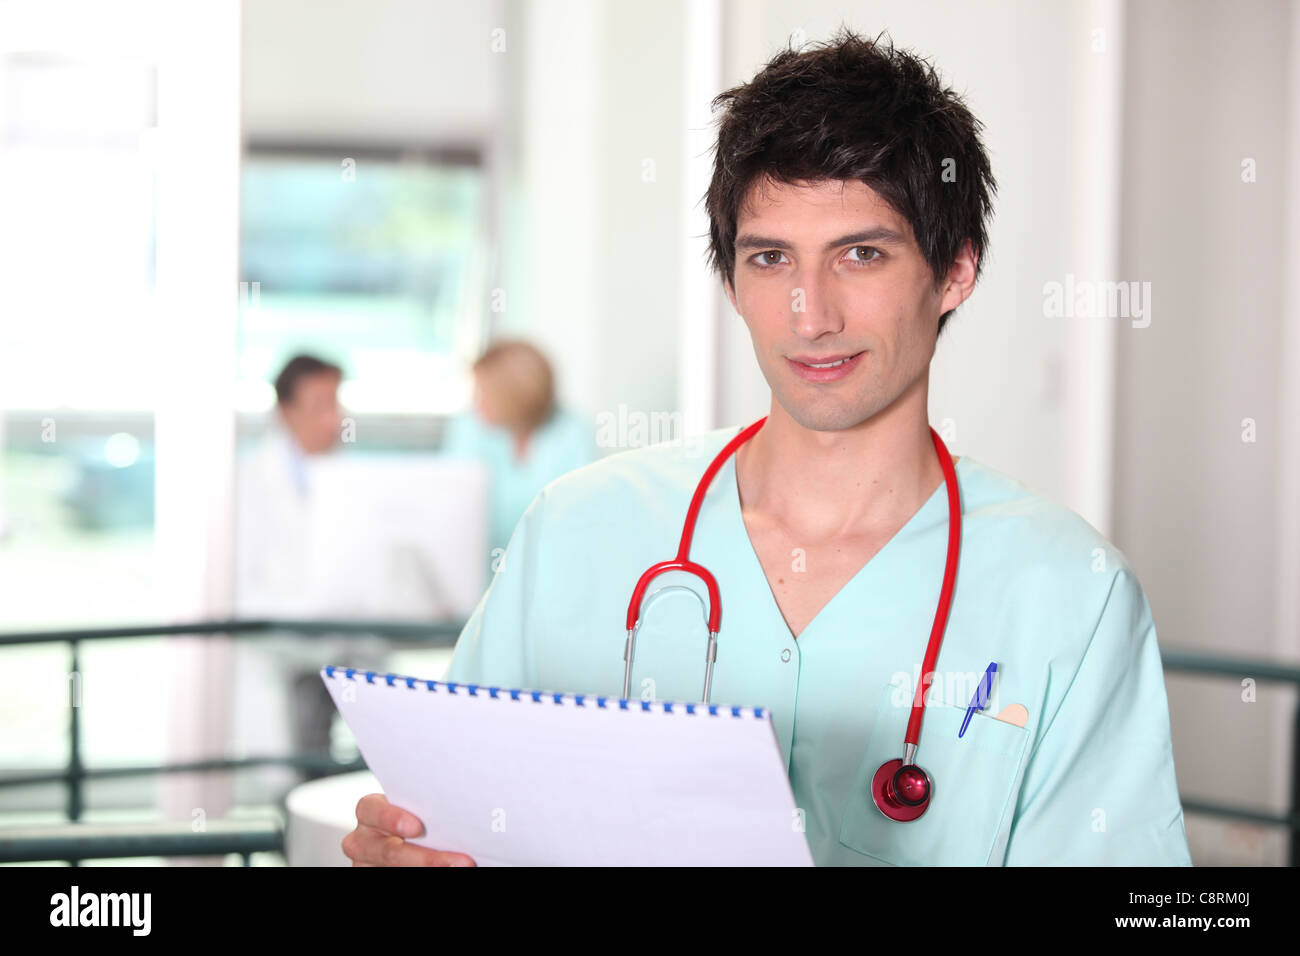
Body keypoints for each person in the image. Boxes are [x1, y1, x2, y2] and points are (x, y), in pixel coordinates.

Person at [341, 29, 1192, 866]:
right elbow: (453, 816)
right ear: (731, 281)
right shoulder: (575, 534)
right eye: (771, 257)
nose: (809, 314)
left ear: (955, 270)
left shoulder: (1070, 598)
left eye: (862, 254)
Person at [232, 353, 384, 790]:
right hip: (285, 654)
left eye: (338, 403)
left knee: (370, 781)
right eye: (321, 405)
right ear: (286, 412)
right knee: (298, 783)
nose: (335, 418)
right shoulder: (250, 482)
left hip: (350, 648)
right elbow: (245, 588)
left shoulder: (354, 478)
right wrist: (313, 608)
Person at [440, 339, 594, 561]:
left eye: (483, 393)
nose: (477, 402)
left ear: (513, 395)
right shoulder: (468, 427)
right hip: (479, 566)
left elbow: (580, 515)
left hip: (552, 565)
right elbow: (452, 499)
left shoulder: (572, 431)